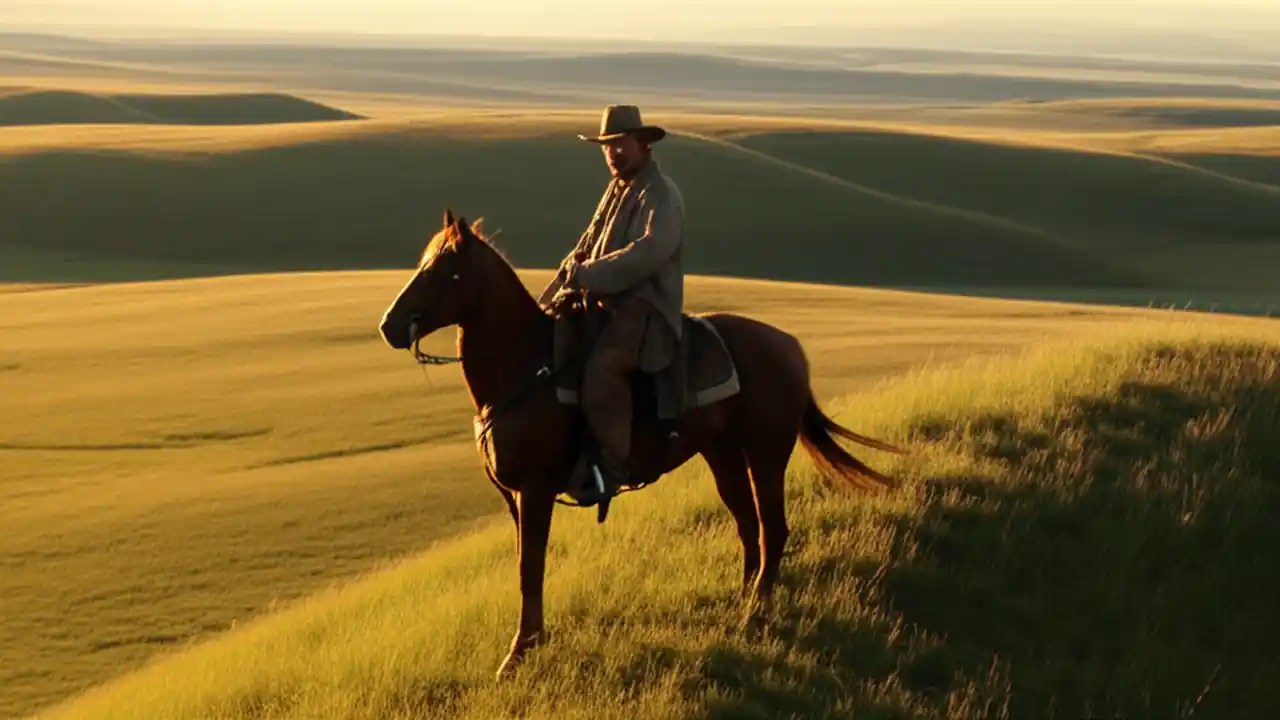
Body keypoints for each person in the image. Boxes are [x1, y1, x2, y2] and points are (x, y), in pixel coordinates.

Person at [539, 104, 686, 503]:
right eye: (607, 146)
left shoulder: (660, 194)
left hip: (644, 305)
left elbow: (649, 251)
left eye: (621, 144)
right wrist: (556, 289)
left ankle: (612, 467)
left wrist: (589, 275)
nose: (613, 153)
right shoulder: (617, 189)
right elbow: (587, 242)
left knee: (603, 369)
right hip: (604, 301)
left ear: (643, 144)